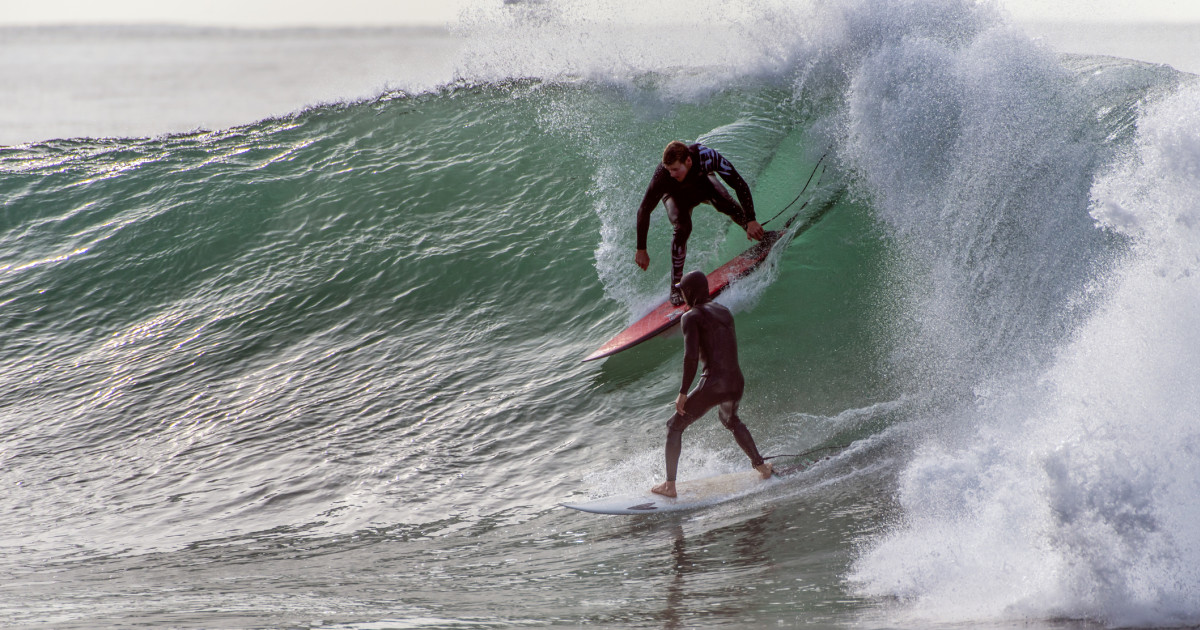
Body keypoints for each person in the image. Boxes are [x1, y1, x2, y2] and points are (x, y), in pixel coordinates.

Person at [651, 270, 773, 498]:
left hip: (714, 383)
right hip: (736, 381)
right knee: (730, 419)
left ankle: (669, 486)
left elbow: (691, 358)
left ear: (689, 293)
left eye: (683, 292)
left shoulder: (690, 317)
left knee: (674, 426)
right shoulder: (724, 311)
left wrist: (683, 392)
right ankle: (762, 467)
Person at [635, 141, 765, 305]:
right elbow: (643, 210)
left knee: (728, 205)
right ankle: (676, 288)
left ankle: (759, 234)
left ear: (688, 161)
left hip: (703, 186)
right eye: (669, 170)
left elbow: (738, 183)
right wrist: (641, 249)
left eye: (675, 169)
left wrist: (751, 219)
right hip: (675, 197)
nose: (672, 174)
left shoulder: (707, 156)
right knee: (682, 228)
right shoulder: (663, 175)